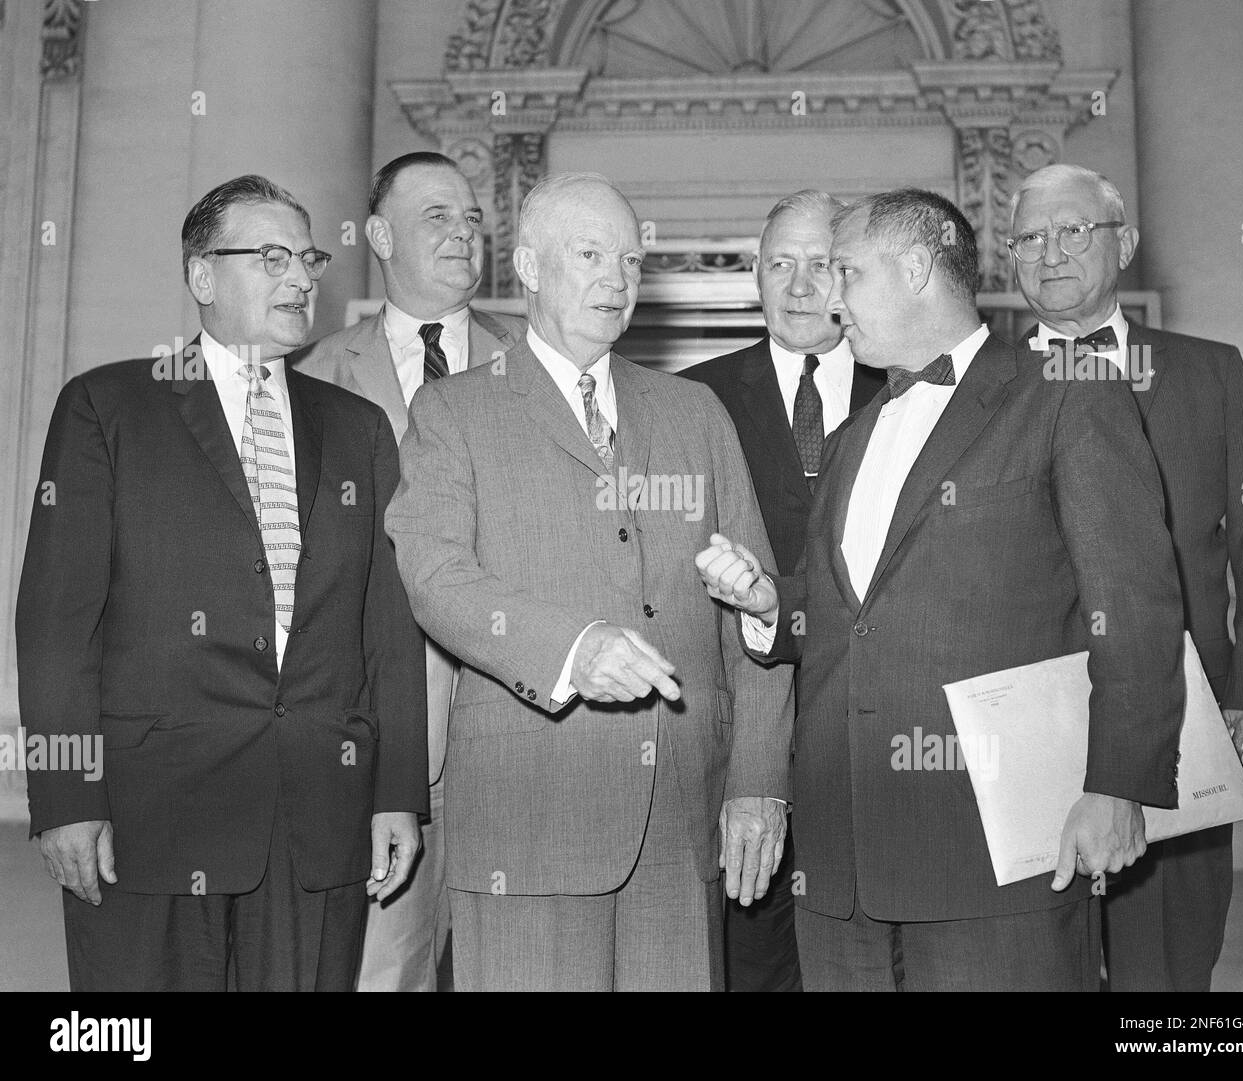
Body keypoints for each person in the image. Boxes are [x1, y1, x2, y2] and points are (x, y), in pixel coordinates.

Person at [697, 188, 1187, 991]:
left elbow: (1134, 600)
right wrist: (767, 607)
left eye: (845, 272)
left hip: (996, 861)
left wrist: (1117, 783)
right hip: (842, 869)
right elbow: (842, 615)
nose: (826, 296)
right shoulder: (856, 435)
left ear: (917, 267)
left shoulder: (1065, 388)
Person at [16, 174, 428, 992]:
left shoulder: (360, 429)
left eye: (307, 257)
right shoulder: (109, 405)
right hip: (148, 813)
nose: (303, 277)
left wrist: (396, 791)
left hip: (315, 816)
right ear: (202, 276)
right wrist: (67, 795)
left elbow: (387, 625)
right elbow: (58, 621)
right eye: (270, 256)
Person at [385, 172, 793, 991]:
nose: (617, 279)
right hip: (529, 819)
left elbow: (757, 608)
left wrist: (757, 781)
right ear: (529, 268)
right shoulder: (454, 412)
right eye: (590, 254)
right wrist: (572, 650)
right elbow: (434, 575)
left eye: (632, 261)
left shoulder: (696, 412)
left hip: (683, 825)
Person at [1009, 162, 1243, 991]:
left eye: (1073, 231)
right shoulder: (980, 385)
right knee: (1032, 958)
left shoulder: (1210, 371)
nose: (1051, 252)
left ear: (1124, 244)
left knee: (1166, 967)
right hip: (1032, 722)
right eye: (1029, 238)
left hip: (1186, 717)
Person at [292, 151, 524, 992]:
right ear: (380, 235)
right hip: (380, 736)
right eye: (438, 216)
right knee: (386, 969)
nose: (464, 233)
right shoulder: (311, 375)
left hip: (525, 725)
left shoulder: (538, 366)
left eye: (472, 218)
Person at [682, 189, 884, 992]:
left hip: (876, 739)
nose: (799, 287)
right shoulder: (691, 398)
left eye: (820, 265)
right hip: (734, 733)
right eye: (779, 265)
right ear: (754, 278)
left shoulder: (909, 390)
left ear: (849, 279)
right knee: (746, 959)